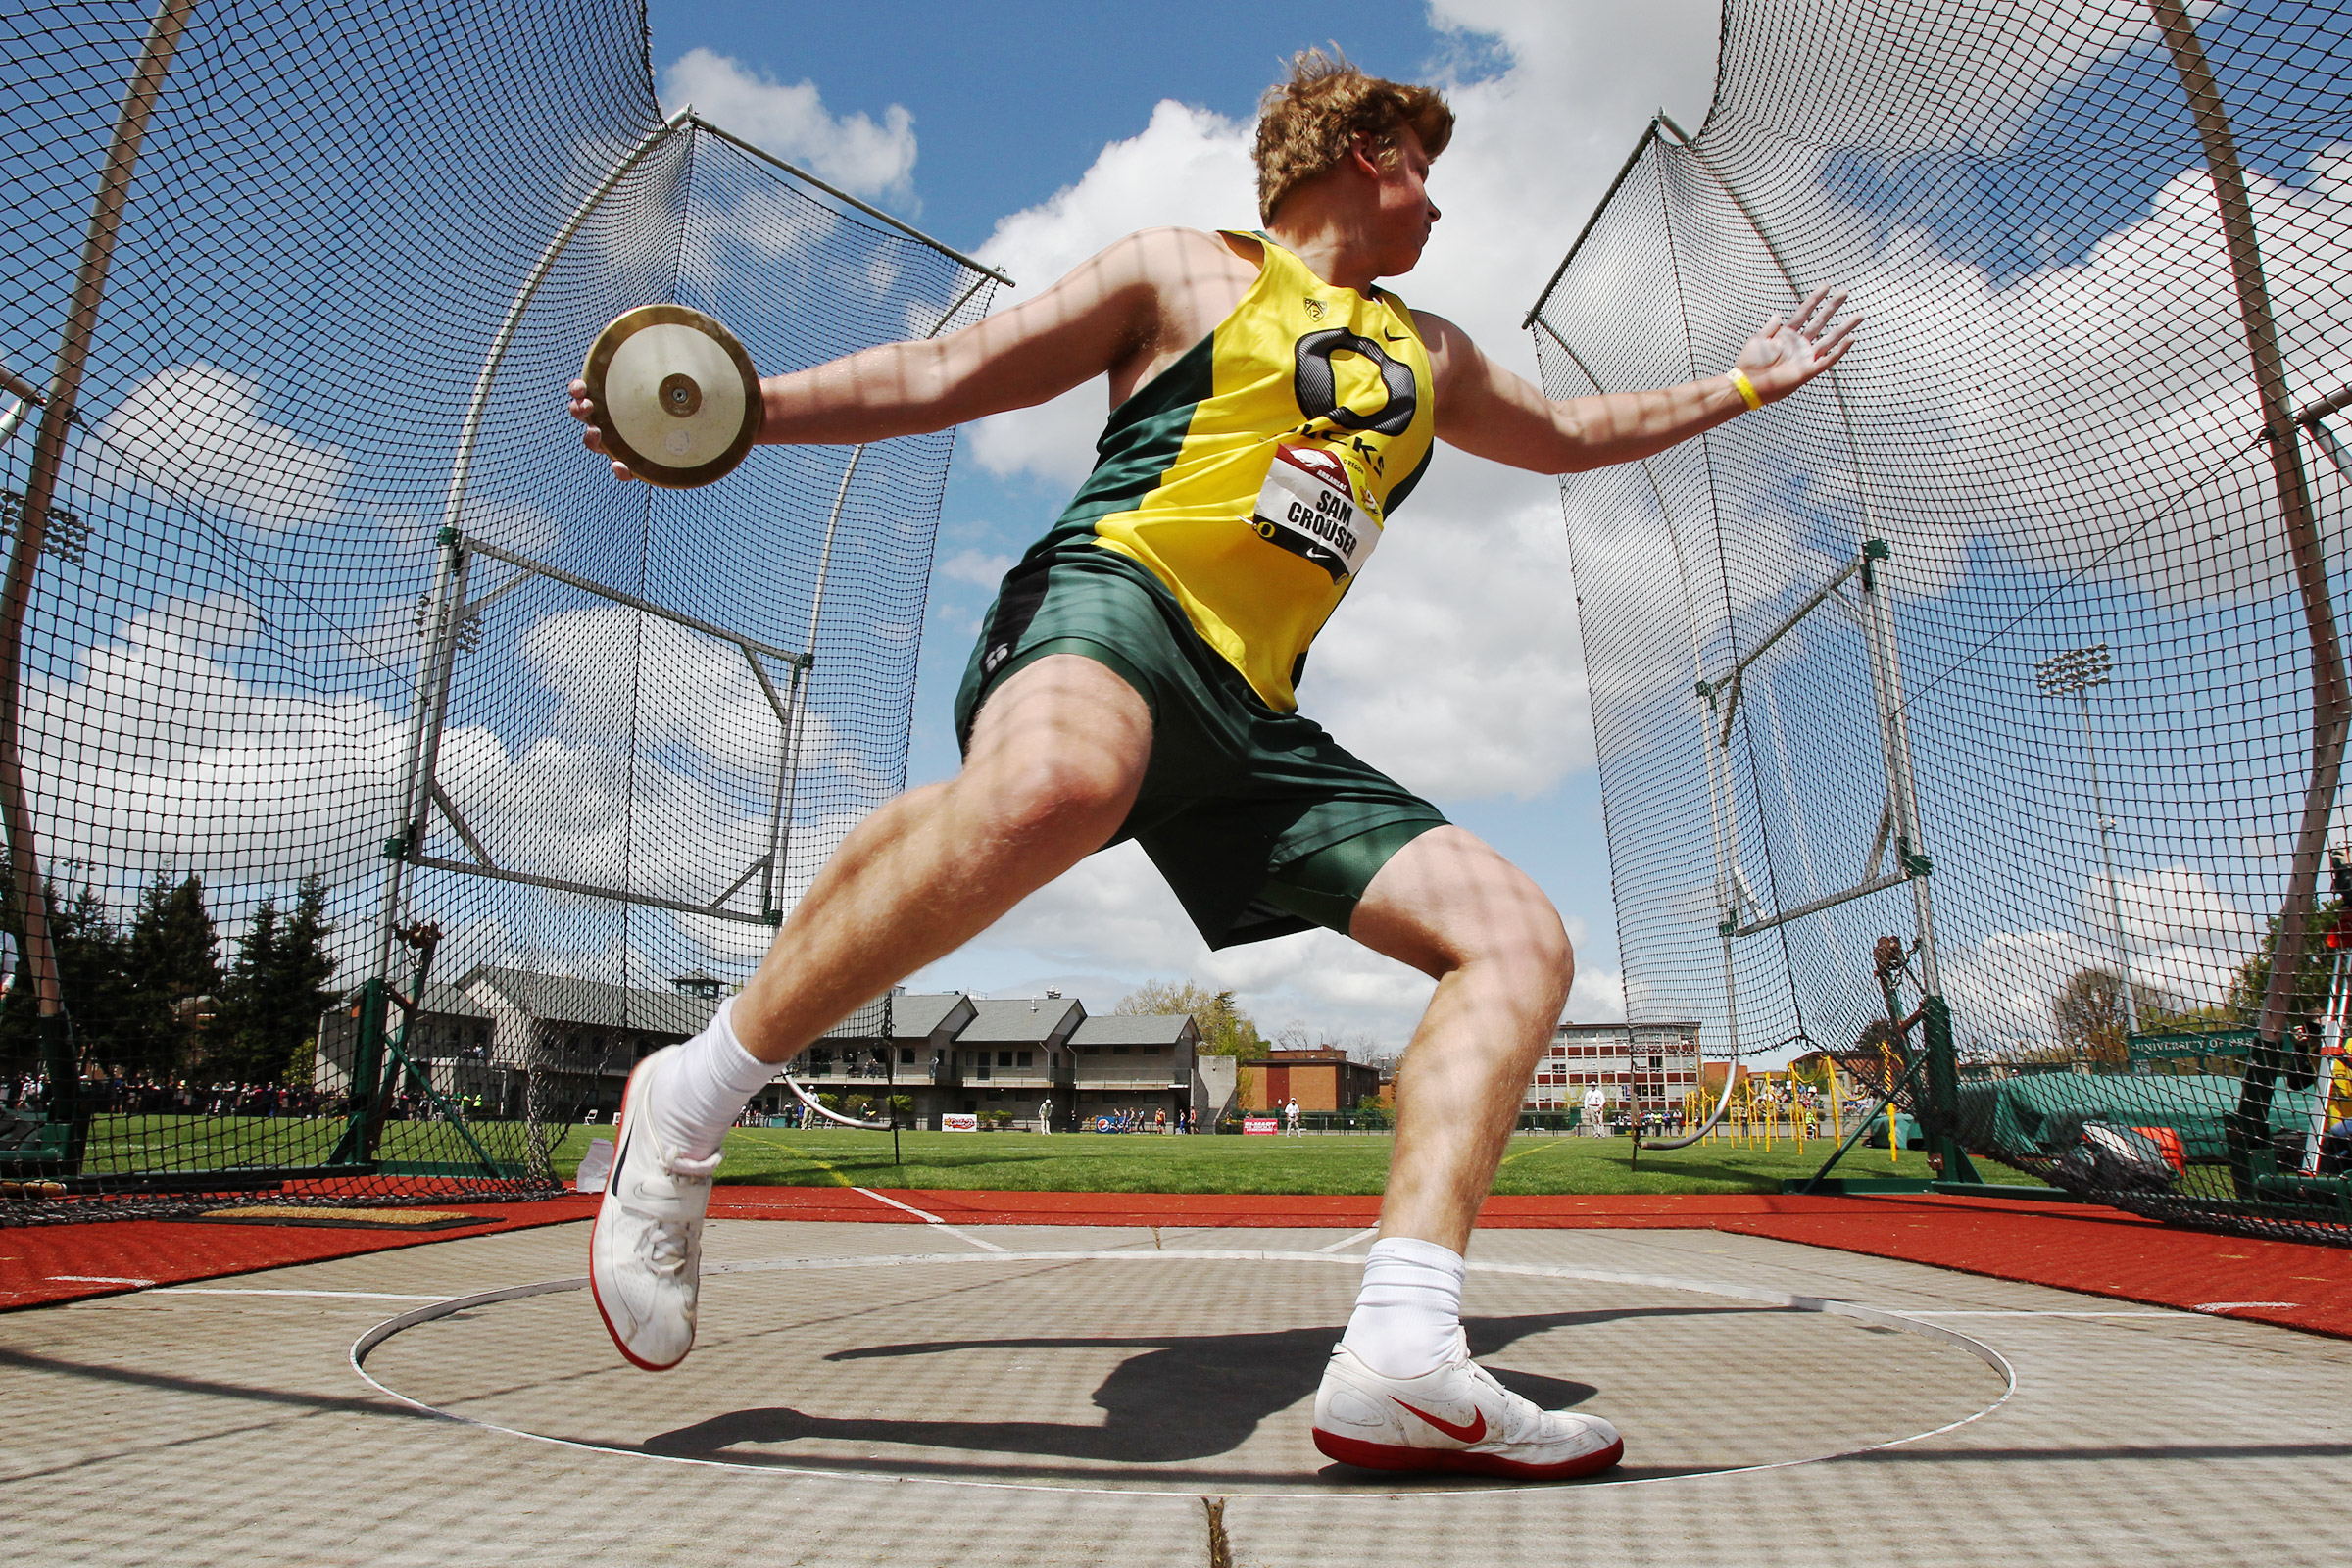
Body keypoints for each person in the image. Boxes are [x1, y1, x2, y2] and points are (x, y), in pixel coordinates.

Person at [574, 52, 1854, 1478]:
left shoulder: (1433, 355)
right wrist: (740, 409)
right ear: (1364, 149)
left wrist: (1743, 384)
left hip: (1255, 718)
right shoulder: (1183, 269)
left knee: (1520, 942)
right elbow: (945, 374)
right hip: (1111, 604)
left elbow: (1572, 437)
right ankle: (683, 1107)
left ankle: (1407, 1356)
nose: (1439, 203)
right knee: (1063, 784)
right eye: (1425, 166)